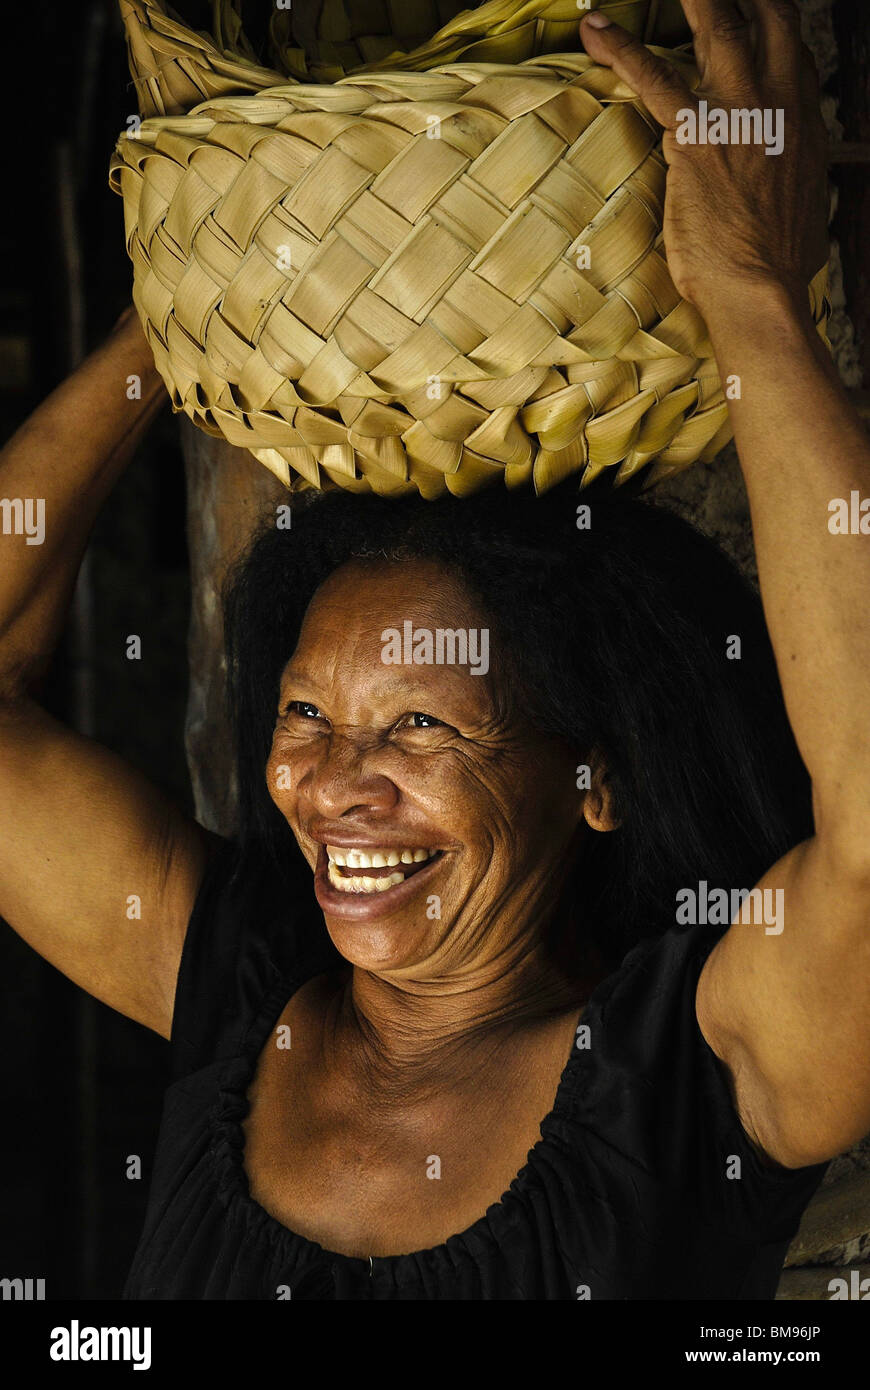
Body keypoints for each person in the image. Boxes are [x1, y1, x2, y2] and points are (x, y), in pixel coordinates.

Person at [1, 0, 868, 1299]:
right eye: (305, 714)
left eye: (419, 725)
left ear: (594, 773)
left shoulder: (705, 1070)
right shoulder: (234, 980)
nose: (335, 782)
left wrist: (750, 303)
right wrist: (179, 321)